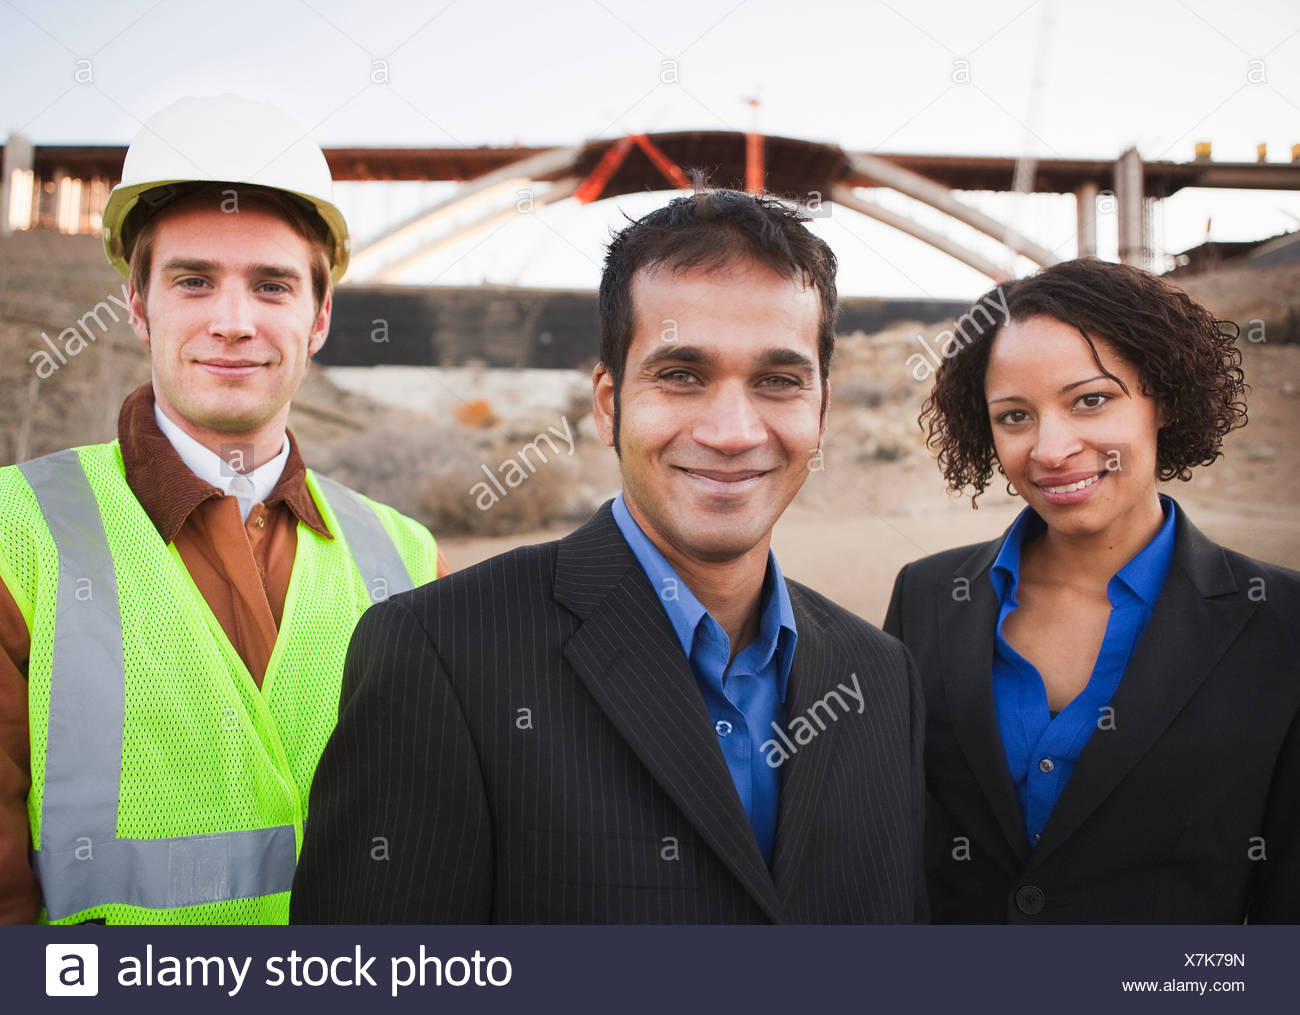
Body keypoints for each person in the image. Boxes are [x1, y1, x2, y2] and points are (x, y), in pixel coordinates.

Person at [291, 190, 926, 924]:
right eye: (681, 374)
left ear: (819, 410)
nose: (731, 430)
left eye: (778, 380)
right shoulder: (440, 656)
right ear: (607, 403)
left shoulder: (882, 680)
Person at [0, 94, 447, 924]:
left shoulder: (409, 556)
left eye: (272, 285)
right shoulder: (15, 536)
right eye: (194, 280)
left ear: (317, 320)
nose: (234, 323)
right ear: (138, 307)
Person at [883, 257, 1299, 923]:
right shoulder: (925, 595)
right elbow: (891, 851)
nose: (1050, 447)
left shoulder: (1281, 623)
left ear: (1161, 398)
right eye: (1014, 415)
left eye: (1091, 400)